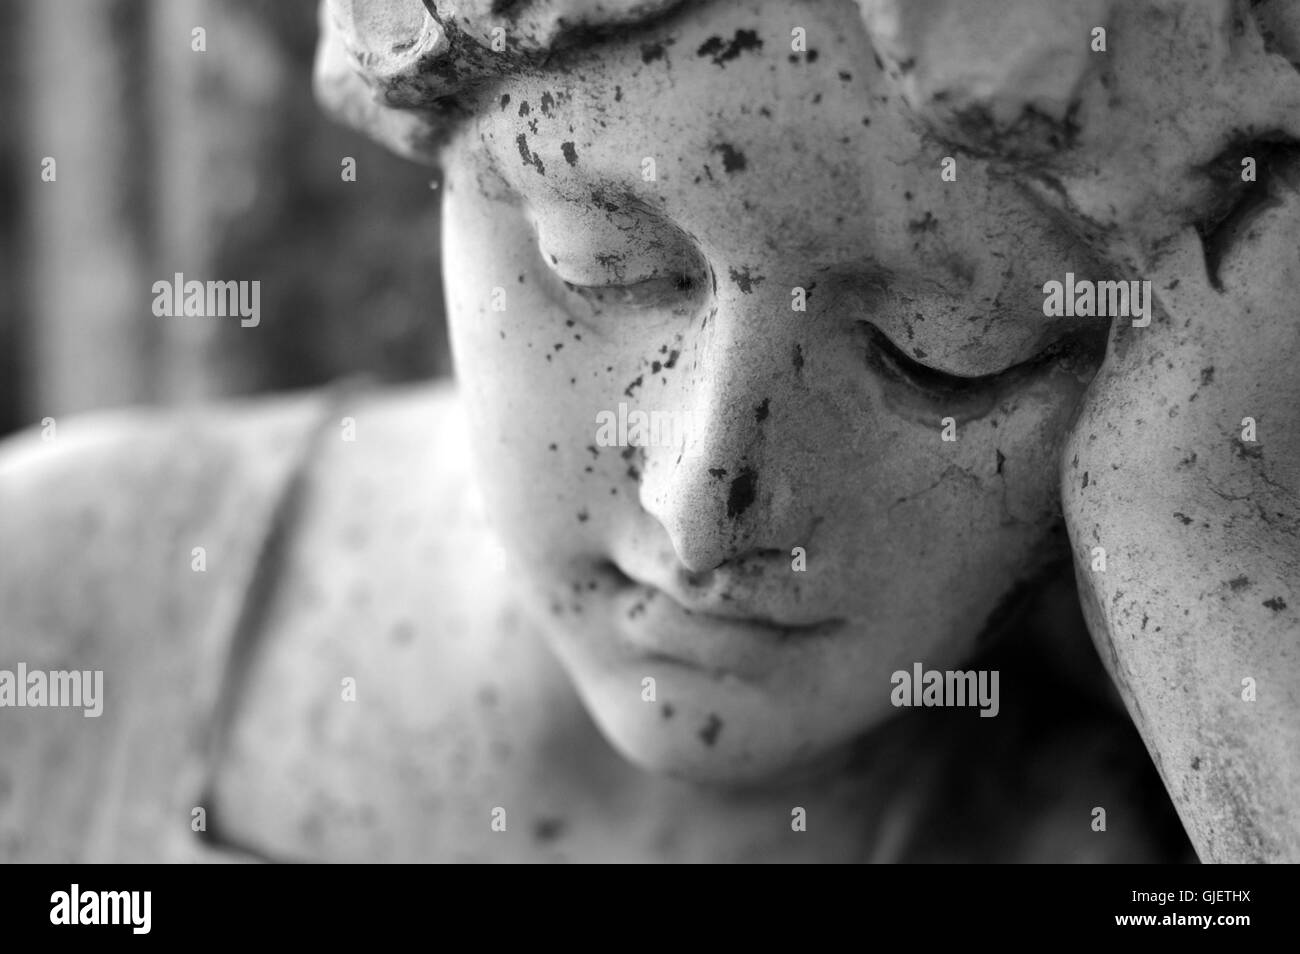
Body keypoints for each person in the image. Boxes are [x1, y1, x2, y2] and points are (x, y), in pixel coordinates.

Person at [1, 0, 1295, 862]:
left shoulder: (1085, 832)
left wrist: (1192, 524)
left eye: (943, 353)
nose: (705, 503)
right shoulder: (58, 595)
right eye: (600, 265)